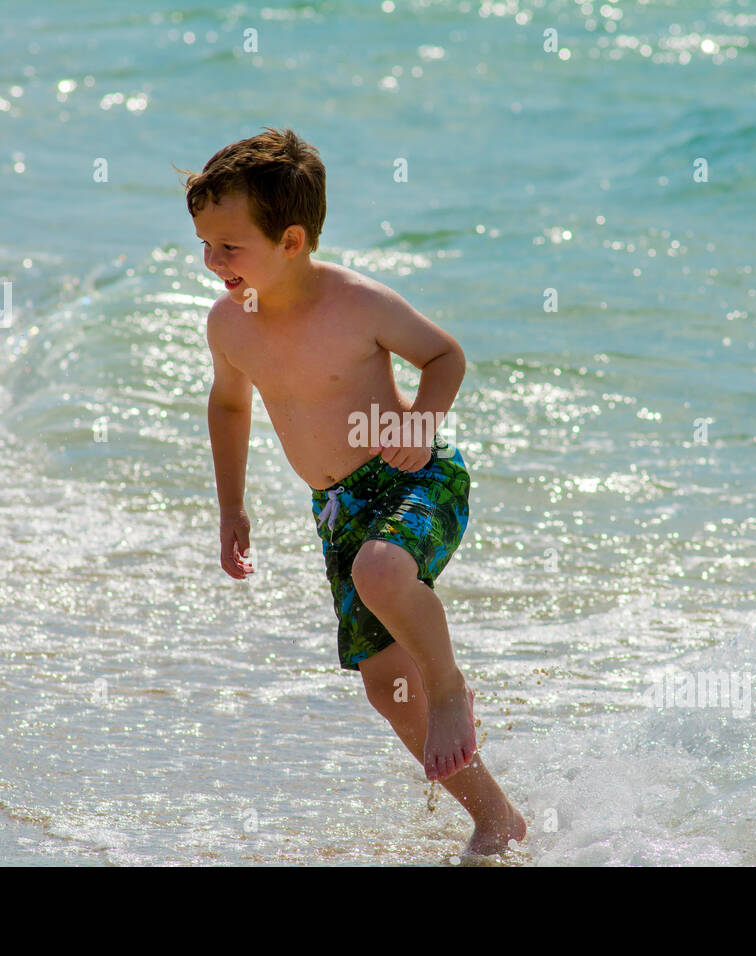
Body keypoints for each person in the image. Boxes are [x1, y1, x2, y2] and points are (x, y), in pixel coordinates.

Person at [184, 127, 525, 855]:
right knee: (381, 685)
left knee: (381, 573)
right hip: (337, 508)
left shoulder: (356, 303)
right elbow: (230, 405)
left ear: (292, 240)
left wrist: (421, 423)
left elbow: (444, 355)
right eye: (206, 244)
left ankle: (449, 690)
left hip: (412, 474)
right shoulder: (229, 325)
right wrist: (231, 508)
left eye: (229, 247)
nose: (213, 262)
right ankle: (496, 818)